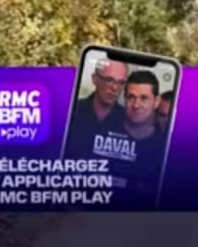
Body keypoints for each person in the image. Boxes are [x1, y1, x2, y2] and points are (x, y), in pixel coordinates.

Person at [90, 70, 168, 209]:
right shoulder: (101, 132)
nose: (136, 105)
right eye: (131, 97)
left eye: (144, 98)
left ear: (156, 101)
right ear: (124, 99)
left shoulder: (165, 147)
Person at [63, 58, 128, 159]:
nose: (115, 88)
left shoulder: (129, 121)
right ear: (94, 79)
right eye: (109, 80)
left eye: (121, 83)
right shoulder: (71, 111)